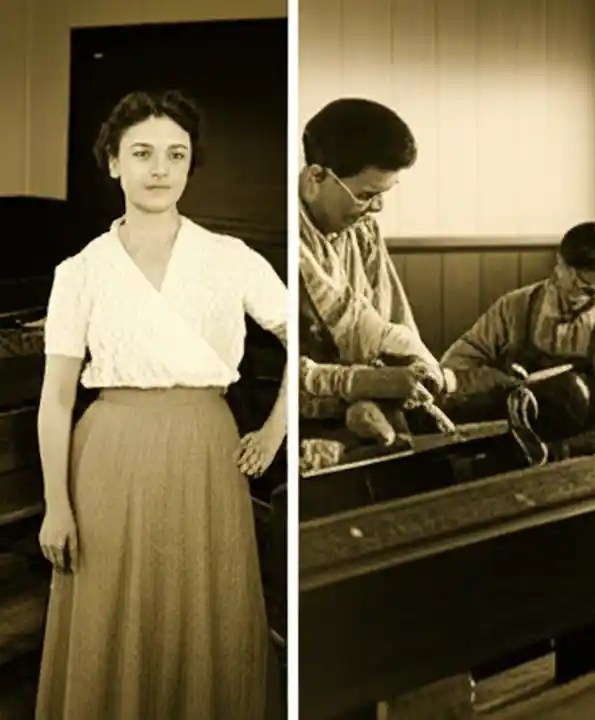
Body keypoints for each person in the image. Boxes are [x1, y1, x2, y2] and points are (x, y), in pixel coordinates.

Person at [35, 90, 287, 718]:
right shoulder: (81, 271)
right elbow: (56, 397)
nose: (159, 169)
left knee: (206, 605)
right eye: (142, 153)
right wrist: (55, 507)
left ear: (189, 165)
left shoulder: (229, 258)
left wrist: (277, 429)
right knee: (111, 613)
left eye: (176, 154)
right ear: (114, 163)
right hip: (109, 455)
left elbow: (299, 336)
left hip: (205, 446)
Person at [296, 98, 451, 471]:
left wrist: (417, 372)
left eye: (384, 195)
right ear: (316, 177)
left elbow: (393, 325)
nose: (377, 208)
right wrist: (364, 384)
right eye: (367, 195)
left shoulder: (363, 230)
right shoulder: (285, 245)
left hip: (367, 413)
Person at [438, 221, 595, 468]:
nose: (591, 296)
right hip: (504, 448)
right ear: (560, 265)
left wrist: (557, 451)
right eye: (581, 285)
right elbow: (454, 365)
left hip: (579, 460)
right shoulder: (515, 307)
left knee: (575, 391)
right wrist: (493, 380)